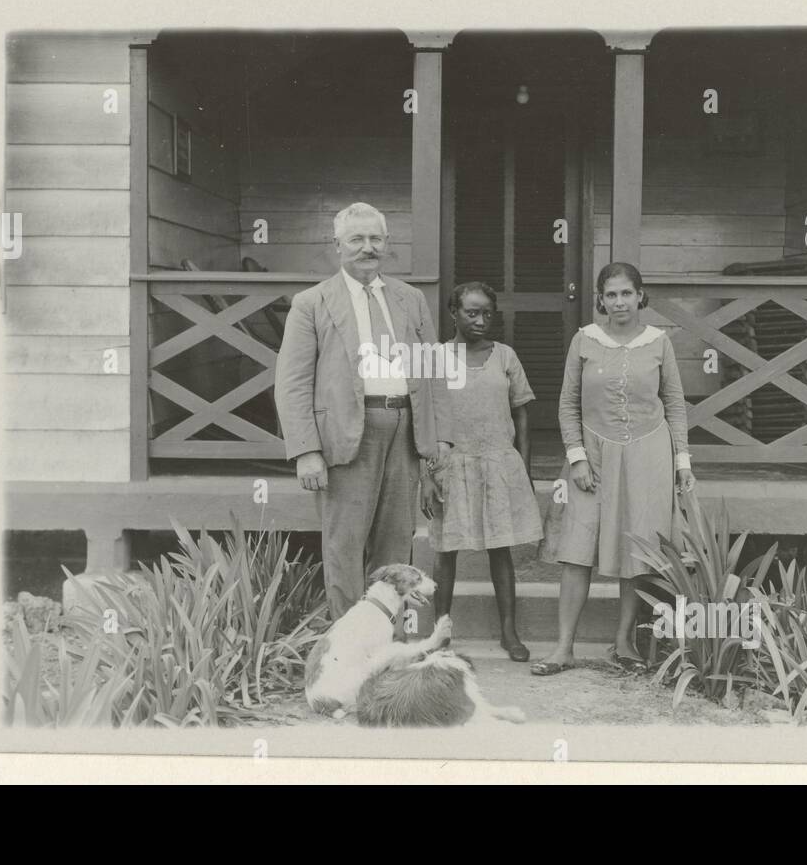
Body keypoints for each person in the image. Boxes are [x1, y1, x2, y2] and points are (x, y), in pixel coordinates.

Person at [274, 202, 453, 621]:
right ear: (337, 246)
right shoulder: (312, 303)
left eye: (375, 239)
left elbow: (433, 370)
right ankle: (349, 645)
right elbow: (292, 382)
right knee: (345, 544)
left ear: (386, 244)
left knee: (396, 544)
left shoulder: (410, 299)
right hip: (346, 435)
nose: (367, 248)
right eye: (356, 239)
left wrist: (439, 435)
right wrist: (305, 450)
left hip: (404, 430)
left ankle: (388, 643)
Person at [531, 262, 697, 676]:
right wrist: (577, 457)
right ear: (601, 299)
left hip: (648, 454)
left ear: (640, 295)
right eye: (611, 294)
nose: (619, 302)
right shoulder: (585, 341)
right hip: (593, 456)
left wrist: (682, 462)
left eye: (626, 293)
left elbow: (674, 404)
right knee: (576, 550)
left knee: (636, 551)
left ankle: (623, 642)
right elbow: (567, 403)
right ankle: (563, 647)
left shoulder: (659, 342)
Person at [421, 282, 543, 662]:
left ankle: (509, 631)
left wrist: (522, 464)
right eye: (471, 312)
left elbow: (522, 412)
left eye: (487, 313)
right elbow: (423, 420)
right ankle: (440, 632)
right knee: (446, 550)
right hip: (450, 464)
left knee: (500, 548)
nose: (480, 320)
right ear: (453, 313)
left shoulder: (505, 356)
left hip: (496, 461)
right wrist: (427, 476)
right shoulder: (436, 357)